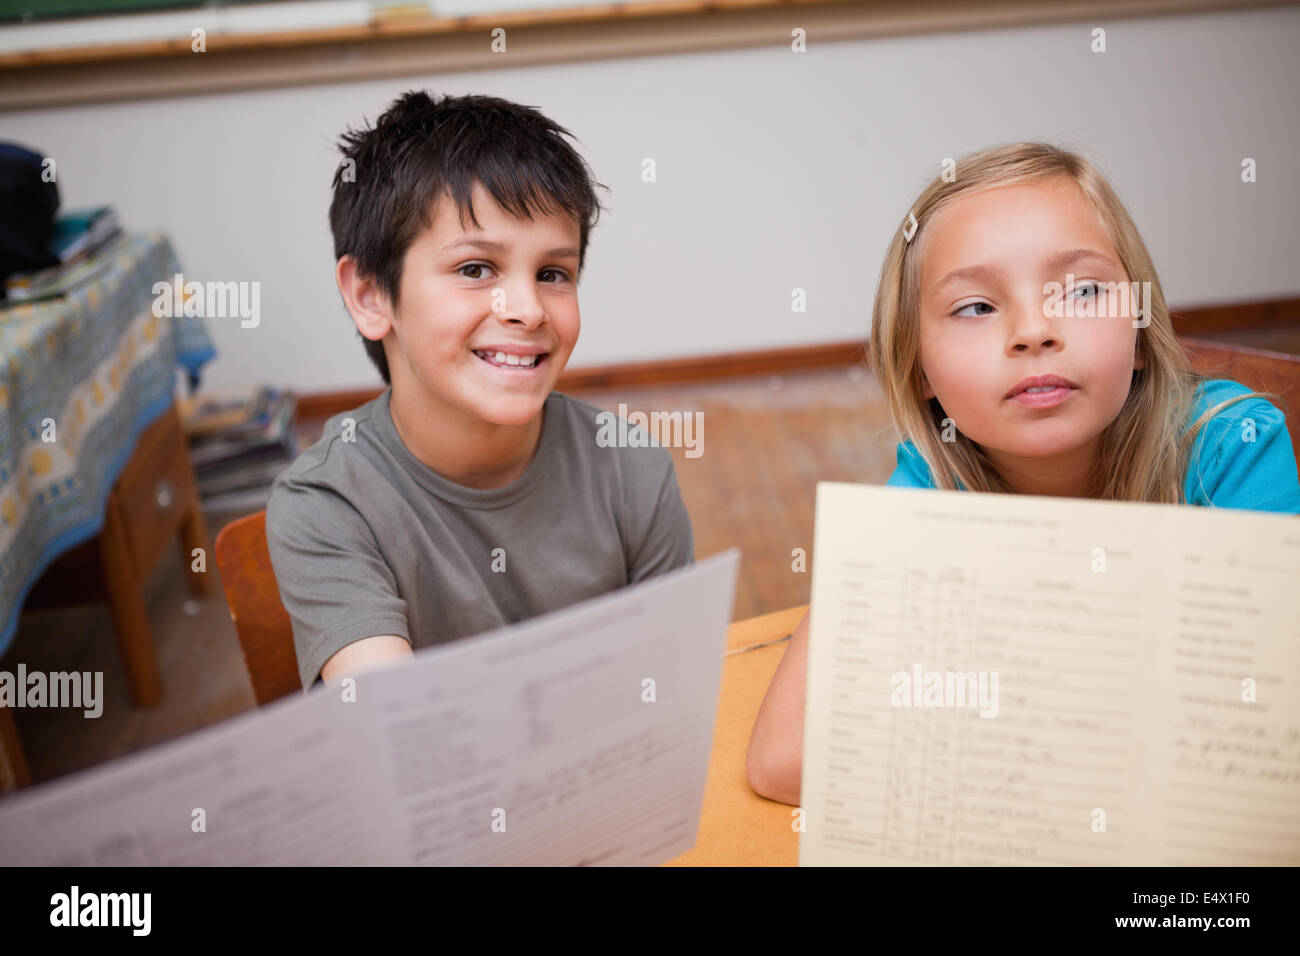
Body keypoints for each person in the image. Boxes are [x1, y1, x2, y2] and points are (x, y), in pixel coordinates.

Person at [746, 141, 1300, 806]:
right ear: (920, 369)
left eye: (1084, 290)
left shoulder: (1230, 447)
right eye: (977, 307)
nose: (1034, 330)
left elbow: (1263, 725)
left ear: (1140, 327)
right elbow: (783, 755)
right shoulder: (933, 477)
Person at [266, 91, 693, 690]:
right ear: (369, 295)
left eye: (553, 274)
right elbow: (395, 728)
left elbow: (669, 692)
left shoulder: (632, 470)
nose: (526, 308)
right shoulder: (328, 505)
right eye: (475, 269)